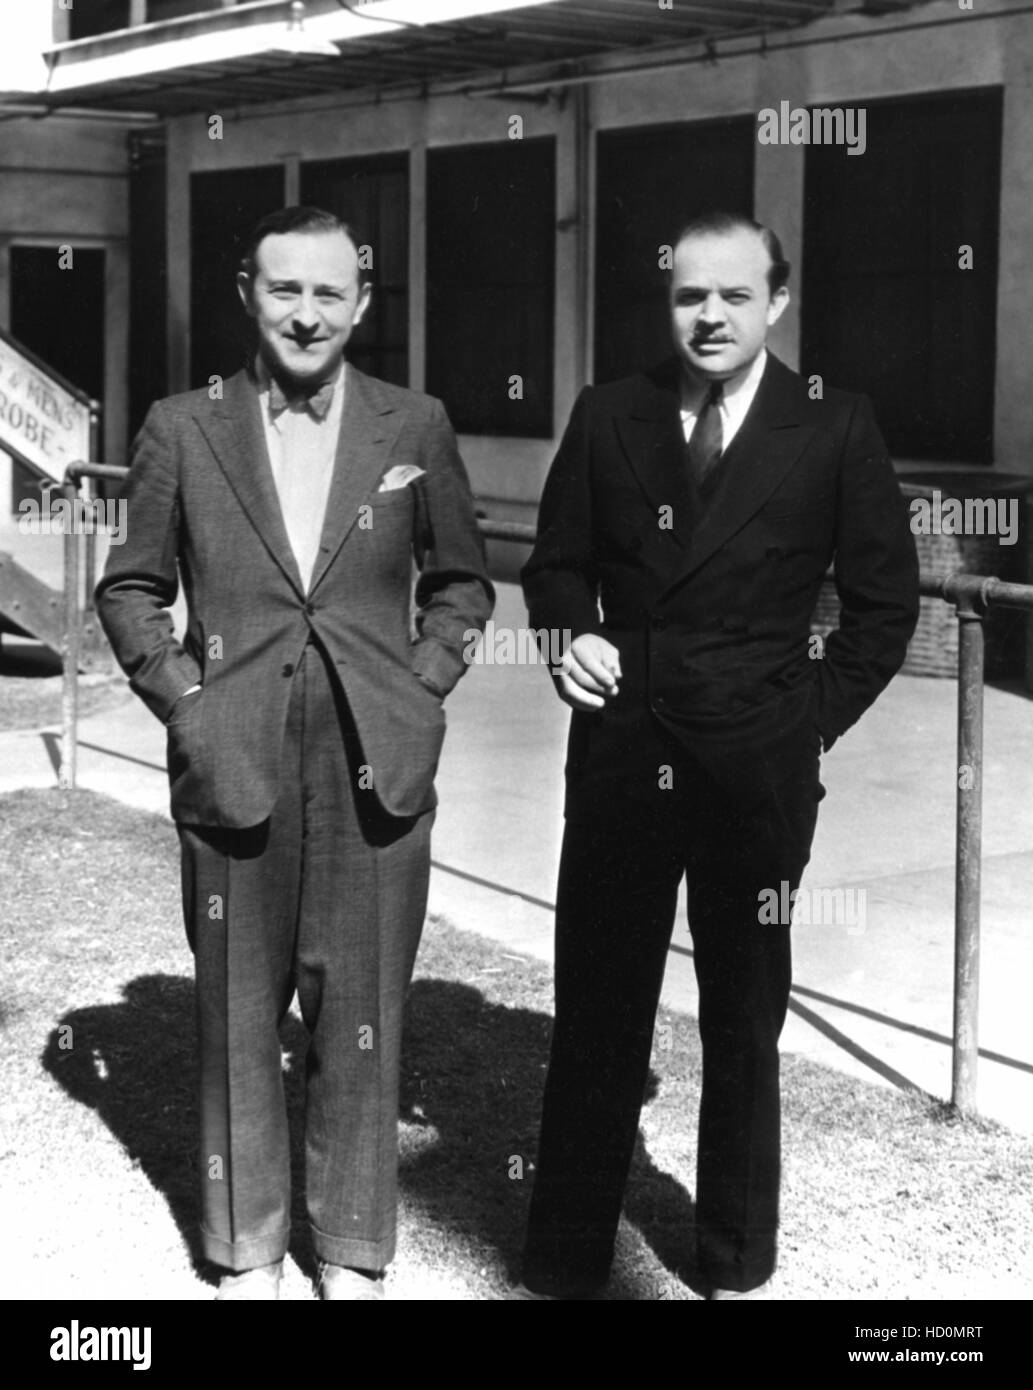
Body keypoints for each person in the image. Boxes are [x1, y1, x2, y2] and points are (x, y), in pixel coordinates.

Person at [516, 211, 919, 1300]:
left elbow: (886, 608)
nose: (709, 316)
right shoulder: (611, 413)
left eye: (734, 296)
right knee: (599, 1007)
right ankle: (561, 1257)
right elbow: (553, 567)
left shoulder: (833, 426)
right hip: (620, 758)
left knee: (743, 1015)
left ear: (776, 302)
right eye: (690, 295)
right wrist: (570, 635)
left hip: (755, 773)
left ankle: (734, 1259)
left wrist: (804, 721)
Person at [96, 205, 493, 1300]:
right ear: (246, 293)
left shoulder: (413, 423)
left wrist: (423, 681)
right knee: (237, 1012)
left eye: (329, 292)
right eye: (285, 289)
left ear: (361, 303)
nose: (306, 312)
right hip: (235, 759)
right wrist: (187, 701)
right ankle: (247, 1248)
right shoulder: (186, 425)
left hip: (379, 764)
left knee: (362, 1012)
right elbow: (130, 587)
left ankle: (356, 1251)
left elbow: (462, 580)